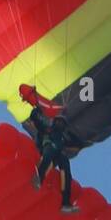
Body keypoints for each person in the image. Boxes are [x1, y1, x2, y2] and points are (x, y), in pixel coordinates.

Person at [19, 83, 79, 213]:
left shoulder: (63, 135)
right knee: (49, 153)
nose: (61, 124)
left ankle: (65, 203)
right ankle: (38, 178)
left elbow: (74, 143)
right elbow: (38, 121)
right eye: (59, 122)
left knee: (66, 168)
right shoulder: (43, 120)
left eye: (62, 123)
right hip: (47, 144)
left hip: (58, 150)